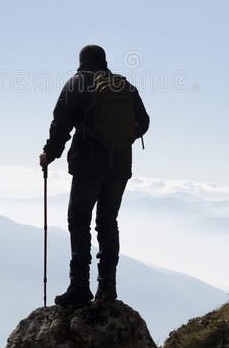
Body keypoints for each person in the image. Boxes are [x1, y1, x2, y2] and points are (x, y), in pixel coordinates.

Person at [39, 44, 150, 308]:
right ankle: (107, 287)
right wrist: (119, 141)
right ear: (104, 62)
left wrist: (49, 155)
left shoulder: (75, 85)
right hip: (119, 167)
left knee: (79, 222)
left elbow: (60, 125)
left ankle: (79, 286)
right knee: (108, 222)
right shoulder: (124, 87)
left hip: (87, 165)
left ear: (81, 62)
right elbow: (144, 122)